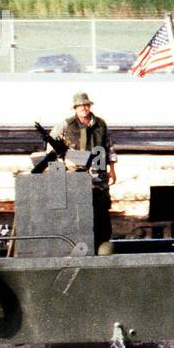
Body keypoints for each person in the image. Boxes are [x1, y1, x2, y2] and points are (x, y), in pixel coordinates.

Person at [54, 91, 118, 249]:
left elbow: (109, 147)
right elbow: (52, 146)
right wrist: (61, 166)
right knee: (78, 207)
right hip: (76, 176)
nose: (84, 108)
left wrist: (112, 169)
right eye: (80, 105)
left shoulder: (101, 124)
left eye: (86, 105)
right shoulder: (66, 124)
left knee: (101, 207)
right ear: (75, 108)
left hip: (98, 175)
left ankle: (102, 241)